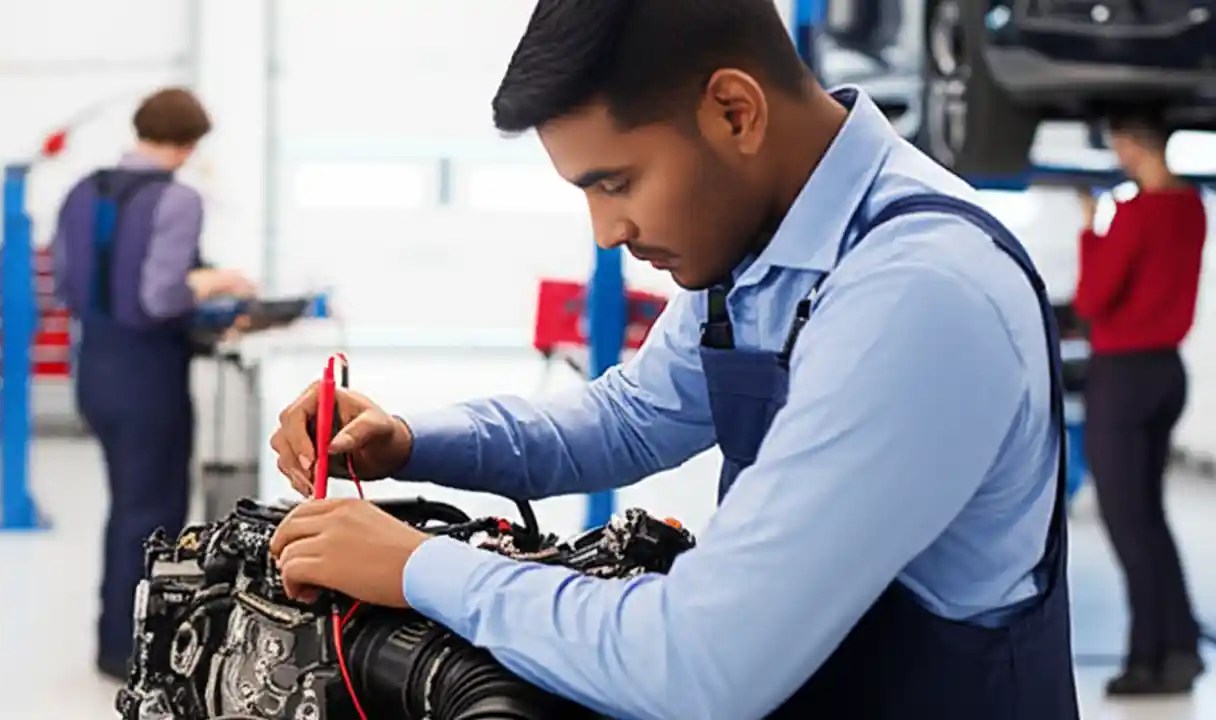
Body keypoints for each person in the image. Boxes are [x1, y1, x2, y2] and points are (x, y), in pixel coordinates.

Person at [267, 1, 1079, 717]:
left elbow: (701, 665)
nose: (606, 231)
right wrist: (409, 440)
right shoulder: (761, 244)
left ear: (734, 111)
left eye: (616, 182)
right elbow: (628, 417)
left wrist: (418, 567)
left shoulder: (920, 293)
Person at [50, 87, 258, 680]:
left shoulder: (82, 190)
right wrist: (215, 282)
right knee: (153, 515)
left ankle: (112, 641)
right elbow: (159, 296)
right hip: (147, 377)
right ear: (191, 144)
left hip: (94, 371)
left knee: (126, 508)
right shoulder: (178, 198)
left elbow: (68, 286)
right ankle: (135, 655)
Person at [1073, 113, 1208, 696]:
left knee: (1129, 524)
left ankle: (1148, 660)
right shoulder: (1192, 206)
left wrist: (1089, 227)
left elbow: (1093, 297)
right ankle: (1179, 647)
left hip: (1124, 377)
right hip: (1167, 373)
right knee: (1151, 519)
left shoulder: (1133, 215)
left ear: (1129, 145)